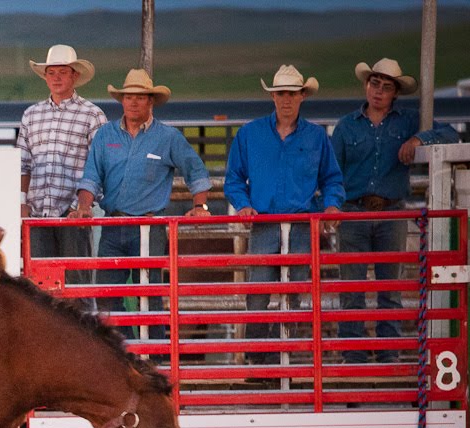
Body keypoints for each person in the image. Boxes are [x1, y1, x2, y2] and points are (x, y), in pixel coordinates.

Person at [332, 58, 459, 364]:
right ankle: (354, 357)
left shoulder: (409, 121)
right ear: (366, 85)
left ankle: (388, 354)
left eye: (386, 87)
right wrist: (332, 207)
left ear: (394, 94)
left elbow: (451, 134)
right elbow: (331, 170)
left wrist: (419, 138)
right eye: (375, 83)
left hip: (392, 212)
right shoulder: (346, 126)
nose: (378, 91)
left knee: (392, 286)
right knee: (352, 289)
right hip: (353, 211)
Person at [75, 69, 211, 344]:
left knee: (149, 296)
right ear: (121, 101)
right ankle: (126, 352)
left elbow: (195, 170)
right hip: (113, 223)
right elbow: (91, 175)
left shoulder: (167, 137)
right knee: (106, 295)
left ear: (151, 102)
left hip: (149, 226)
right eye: (129, 97)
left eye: (140, 97)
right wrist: (84, 206)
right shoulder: (105, 135)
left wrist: (200, 206)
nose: (134, 102)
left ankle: (155, 356)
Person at [225, 65, 344, 364]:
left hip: (302, 224)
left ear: (302, 96)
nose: (286, 99)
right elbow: (234, 178)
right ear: (273, 96)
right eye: (280, 94)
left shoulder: (317, 137)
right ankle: (258, 363)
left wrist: (331, 205)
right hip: (263, 223)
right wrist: (242, 204)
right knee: (258, 294)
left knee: (295, 293)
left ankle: (286, 359)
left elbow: (332, 178)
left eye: (291, 93)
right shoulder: (250, 134)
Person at [18, 44, 107, 262]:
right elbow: (23, 163)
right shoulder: (31, 115)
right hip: (38, 212)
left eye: (63, 72)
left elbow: (100, 166)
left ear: (74, 76)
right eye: (51, 73)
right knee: (39, 283)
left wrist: (83, 205)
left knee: (76, 280)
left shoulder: (92, 115)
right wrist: (22, 202)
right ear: (45, 77)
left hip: (74, 212)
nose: (56, 78)